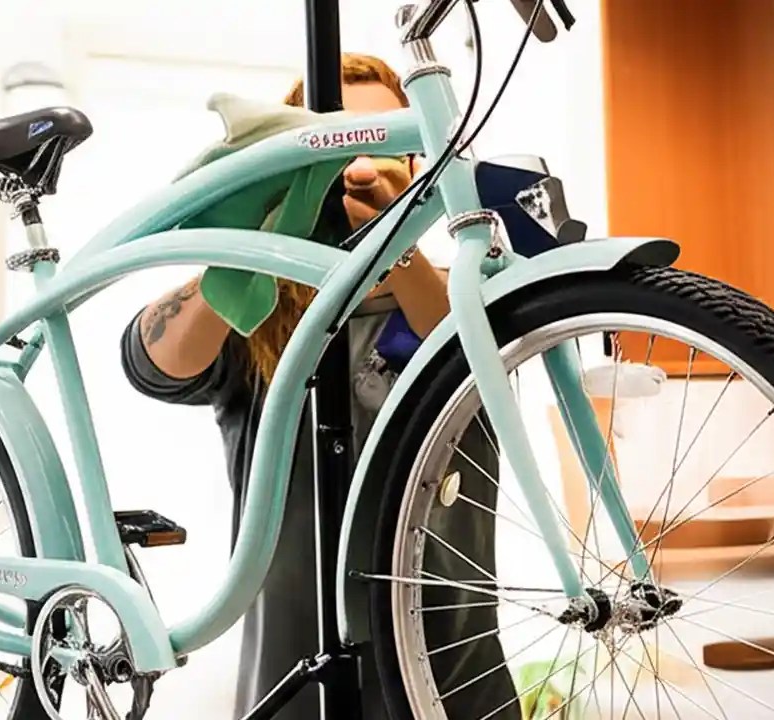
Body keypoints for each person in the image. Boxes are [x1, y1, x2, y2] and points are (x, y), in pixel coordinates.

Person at [120, 54, 517, 719]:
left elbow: (478, 358)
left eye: (379, 142)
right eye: (335, 149)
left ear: (414, 161)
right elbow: (151, 362)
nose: (356, 169)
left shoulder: (468, 296)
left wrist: (394, 239)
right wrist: (265, 239)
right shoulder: (263, 315)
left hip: (453, 690)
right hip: (293, 688)